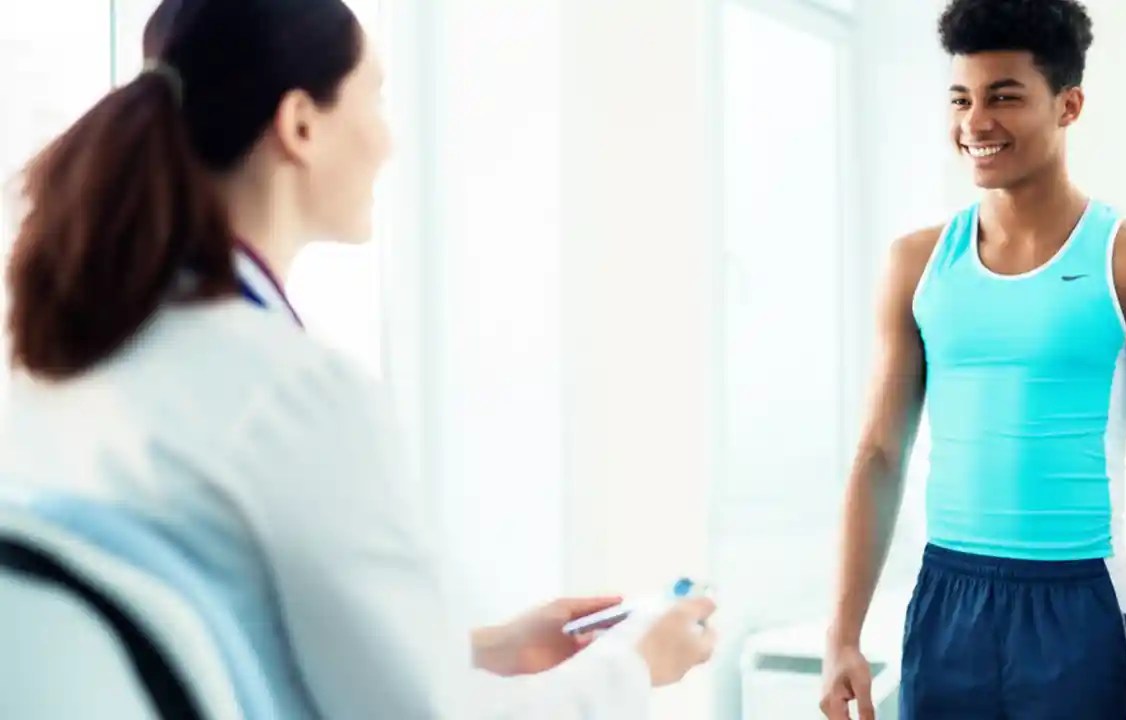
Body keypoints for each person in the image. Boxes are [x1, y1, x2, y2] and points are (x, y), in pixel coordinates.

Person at [0, 0, 716, 717]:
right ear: (301, 125)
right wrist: (634, 667)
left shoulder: (67, 366)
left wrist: (486, 649)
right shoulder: (290, 393)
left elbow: (216, 639)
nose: (387, 140)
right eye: (375, 97)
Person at [820, 1, 1126, 718]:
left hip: (1083, 609)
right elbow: (879, 455)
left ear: (1068, 105)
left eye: (1004, 97)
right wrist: (842, 635)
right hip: (946, 601)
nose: (975, 123)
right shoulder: (917, 263)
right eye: (961, 99)